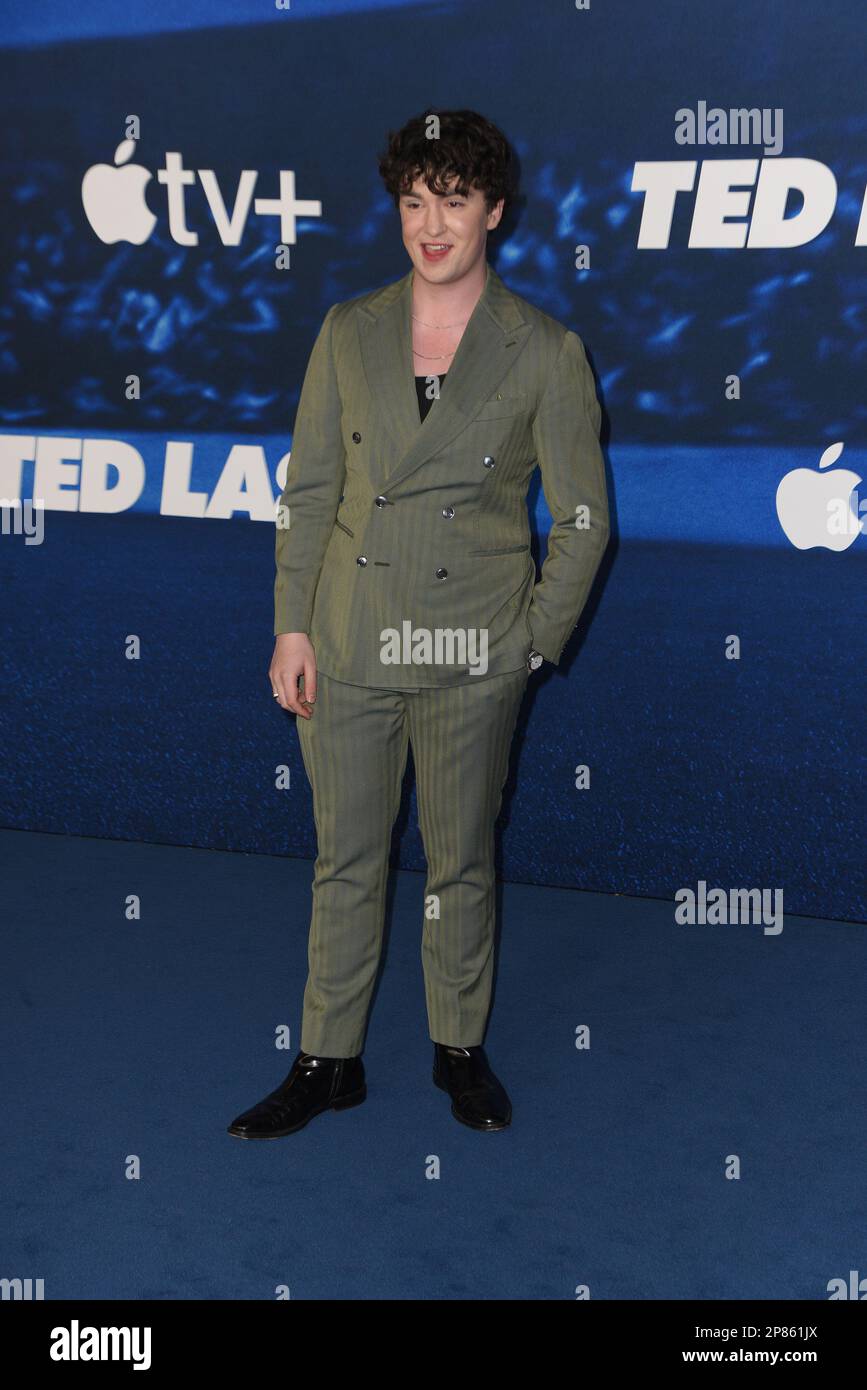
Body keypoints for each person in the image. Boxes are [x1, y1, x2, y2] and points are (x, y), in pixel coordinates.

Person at [228, 108, 609, 1138]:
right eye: (412, 201)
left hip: (469, 649)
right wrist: (292, 627)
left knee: (460, 864)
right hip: (348, 641)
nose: (431, 223)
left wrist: (529, 644)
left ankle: (458, 1049)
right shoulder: (348, 330)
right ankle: (326, 1057)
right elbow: (309, 493)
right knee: (343, 860)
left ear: (495, 210)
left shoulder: (545, 350)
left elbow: (583, 519)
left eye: (453, 200)